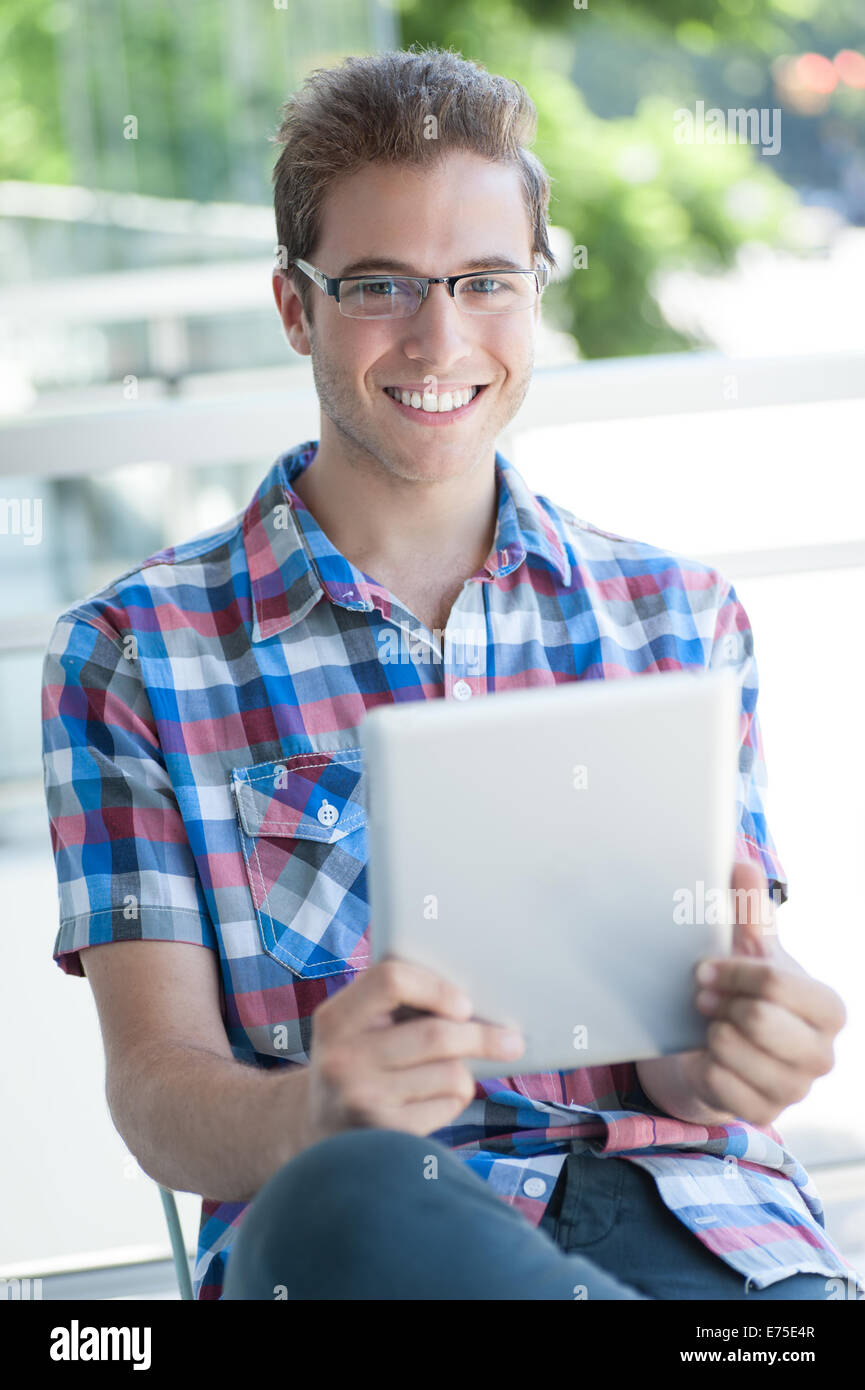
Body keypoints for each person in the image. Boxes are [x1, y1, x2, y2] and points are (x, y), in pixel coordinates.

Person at [41, 47, 860, 1302]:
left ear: (532, 290)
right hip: (366, 1235)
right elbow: (157, 1093)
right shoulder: (134, 655)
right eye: (380, 285)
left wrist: (743, 1051)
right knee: (352, 1189)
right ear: (293, 305)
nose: (440, 337)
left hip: (701, 1233)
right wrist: (317, 1108)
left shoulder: (680, 617)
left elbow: (680, 1066)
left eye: (485, 280)